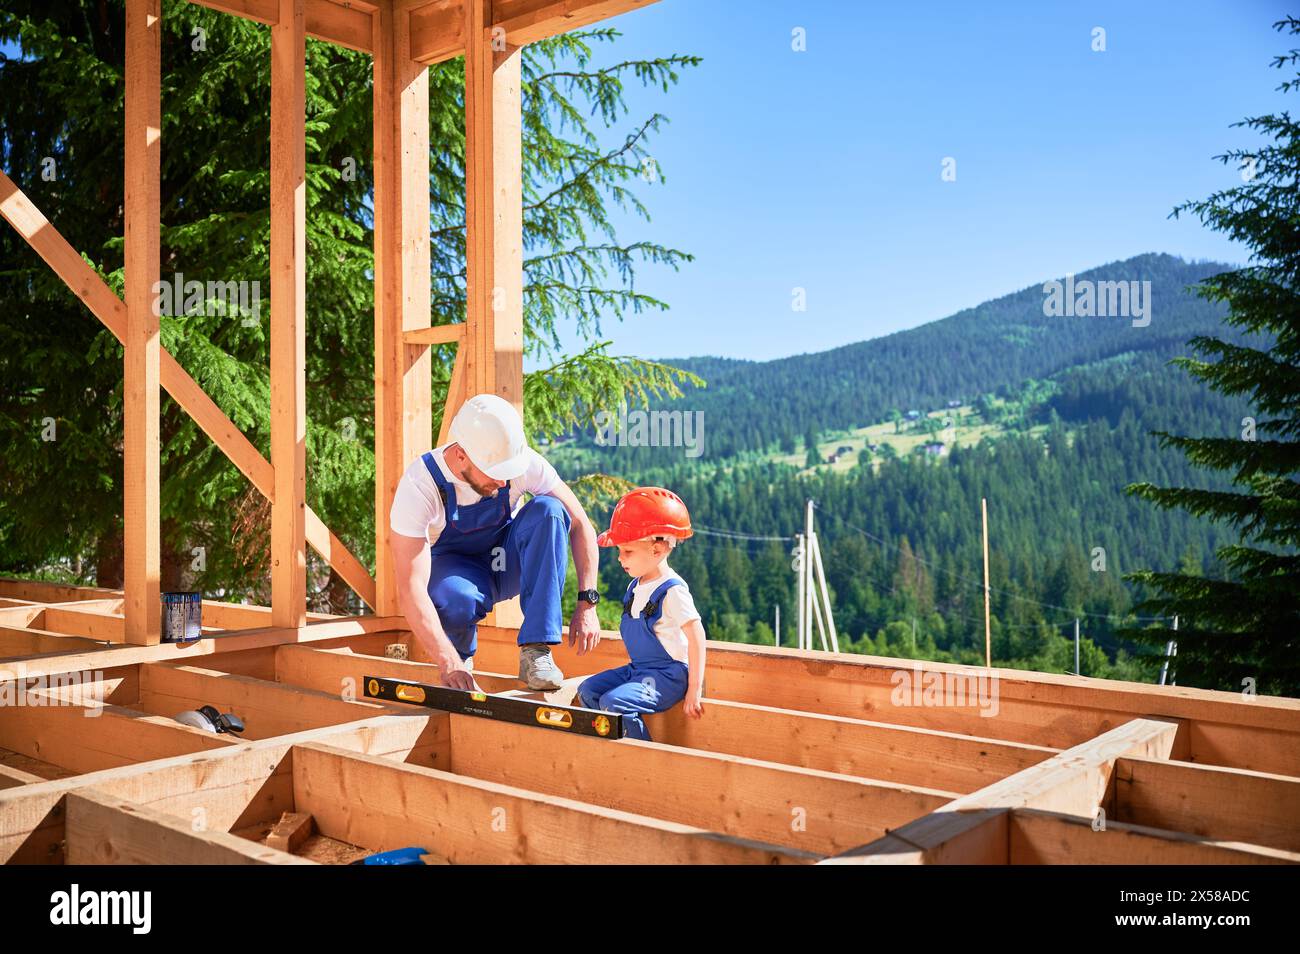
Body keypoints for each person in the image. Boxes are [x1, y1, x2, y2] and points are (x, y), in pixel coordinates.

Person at [387, 394, 603, 690]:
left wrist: (587, 604)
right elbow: (410, 588)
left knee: (550, 512)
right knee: (455, 597)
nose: (504, 482)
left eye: (508, 473)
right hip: (456, 571)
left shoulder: (522, 464)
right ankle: (460, 657)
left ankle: (536, 652)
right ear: (461, 454)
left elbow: (581, 524)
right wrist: (447, 661)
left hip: (508, 562)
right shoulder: (419, 485)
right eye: (495, 474)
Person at [577, 487, 706, 740]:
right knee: (588, 691)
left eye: (627, 551)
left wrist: (694, 689)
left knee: (615, 702)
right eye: (619, 551)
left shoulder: (672, 591)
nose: (619, 558)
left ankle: (641, 757)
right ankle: (610, 746)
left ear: (657, 551)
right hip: (639, 670)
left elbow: (697, 638)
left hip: (669, 676)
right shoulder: (635, 586)